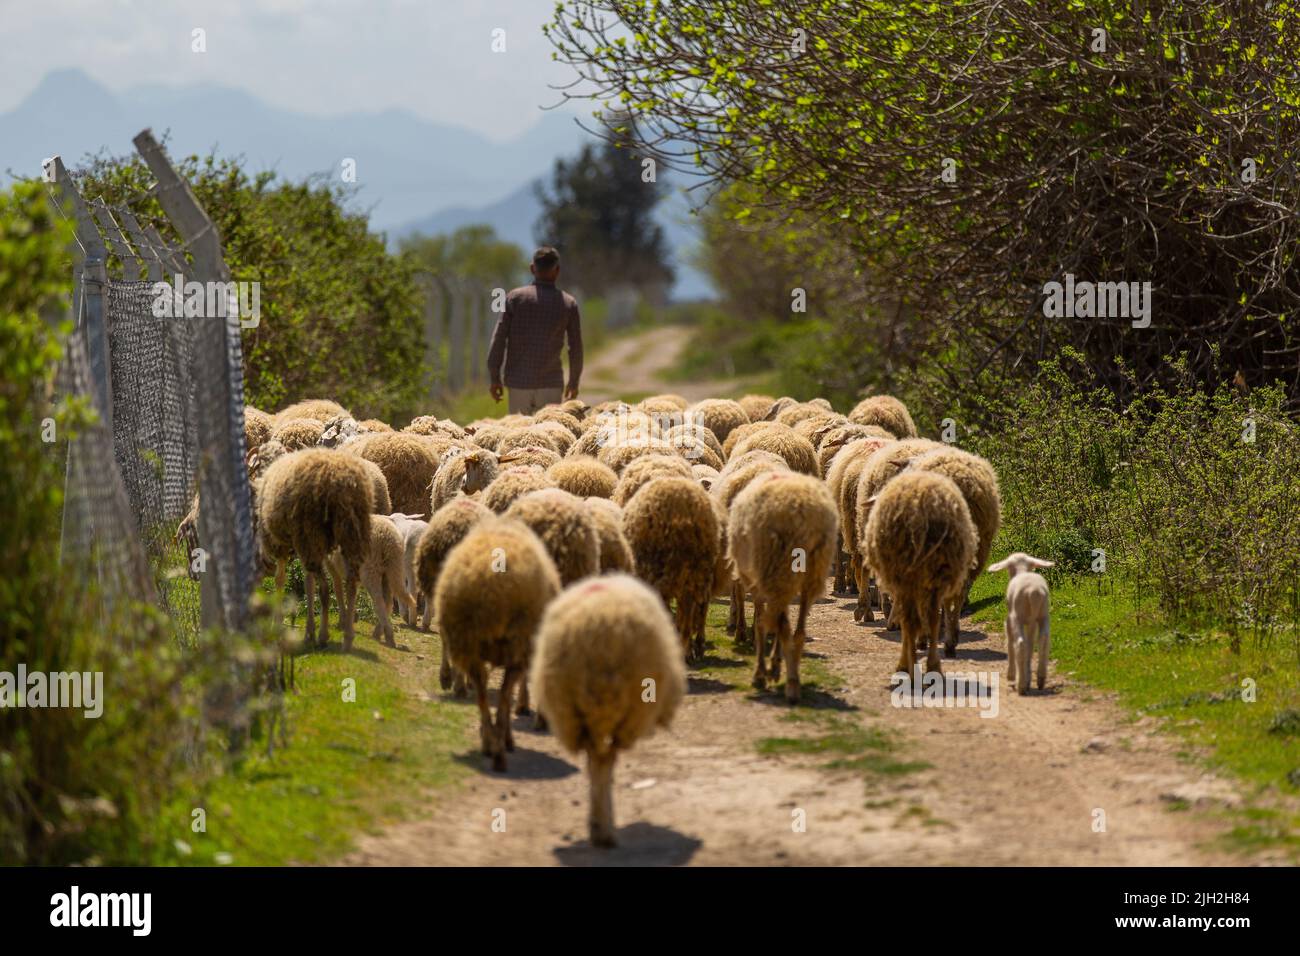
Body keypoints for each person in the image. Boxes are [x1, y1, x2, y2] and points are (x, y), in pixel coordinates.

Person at [486, 246, 583, 415]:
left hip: (518, 384)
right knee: (548, 436)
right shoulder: (568, 303)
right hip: (551, 384)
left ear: (532, 268)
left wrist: (495, 377)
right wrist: (573, 382)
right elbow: (575, 348)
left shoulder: (514, 298)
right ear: (557, 270)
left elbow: (499, 338)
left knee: (518, 437)